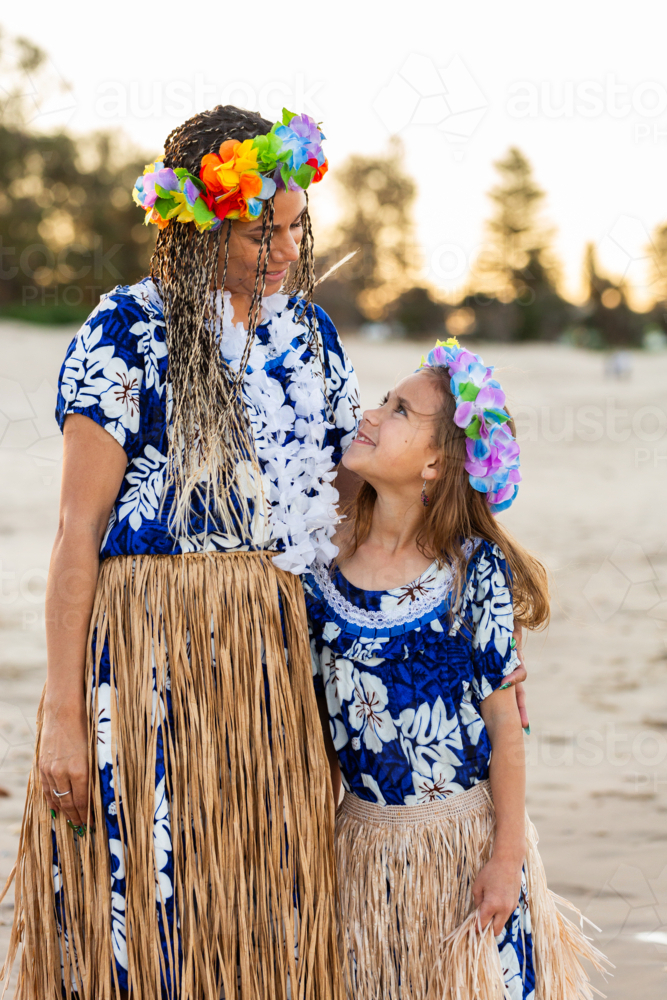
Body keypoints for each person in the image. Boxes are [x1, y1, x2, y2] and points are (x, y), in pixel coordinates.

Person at [0, 105, 361, 1000]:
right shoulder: (127, 327)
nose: (279, 252)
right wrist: (61, 714)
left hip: (273, 662)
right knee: (149, 896)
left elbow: (358, 503)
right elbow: (76, 533)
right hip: (148, 651)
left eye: (289, 230)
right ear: (200, 225)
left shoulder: (310, 337)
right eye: (254, 232)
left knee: (263, 901)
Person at [303, 338, 611, 999]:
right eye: (381, 400)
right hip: (361, 851)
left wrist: (504, 860)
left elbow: (505, 727)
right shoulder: (316, 575)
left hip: (464, 847)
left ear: (436, 462)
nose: (372, 413)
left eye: (400, 411)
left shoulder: (470, 570)